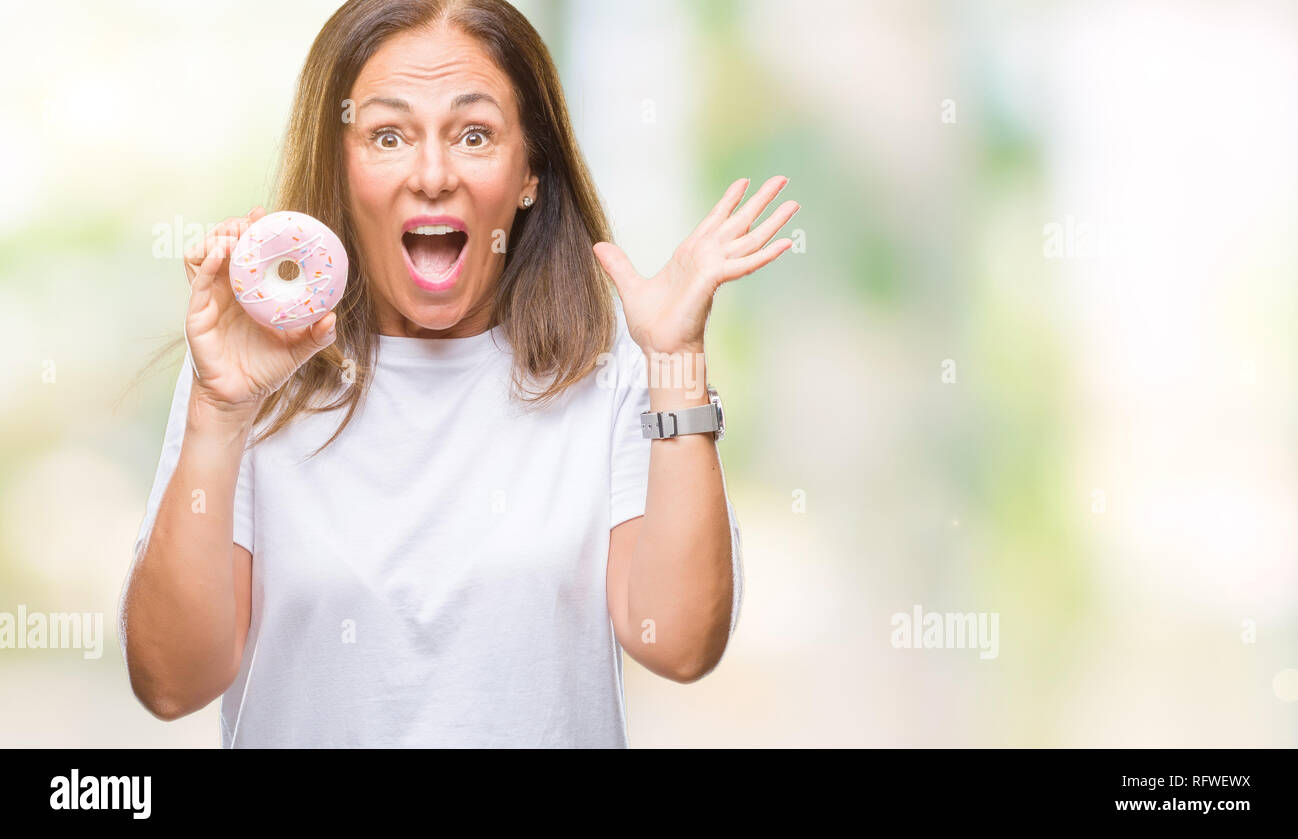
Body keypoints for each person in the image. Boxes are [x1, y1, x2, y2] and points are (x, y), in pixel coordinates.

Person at [120, 0, 798, 747]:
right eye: (387, 135)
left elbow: (677, 643)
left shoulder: (614, 373)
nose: (433, 174)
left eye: (474, 134)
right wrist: (219, 415)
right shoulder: (246, 375)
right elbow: (172, 682)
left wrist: (677, 360)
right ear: (339, 169)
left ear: (530, 171)